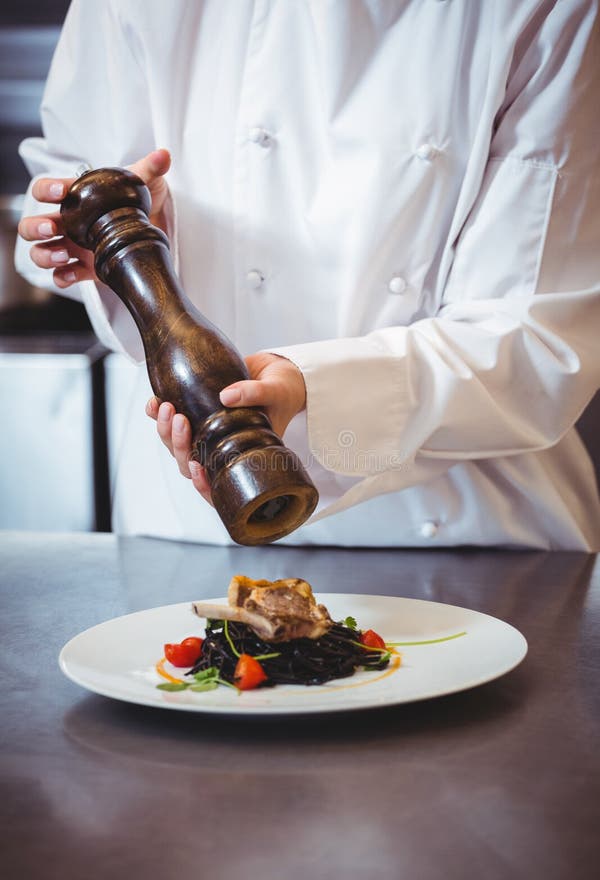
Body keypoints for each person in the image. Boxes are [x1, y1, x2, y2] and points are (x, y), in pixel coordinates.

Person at [15, 0, 600, 549]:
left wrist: (313, 393)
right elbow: (73, 173)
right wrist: (135, 250)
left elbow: (536, 338)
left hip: (469, 534)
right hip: (191, 522)